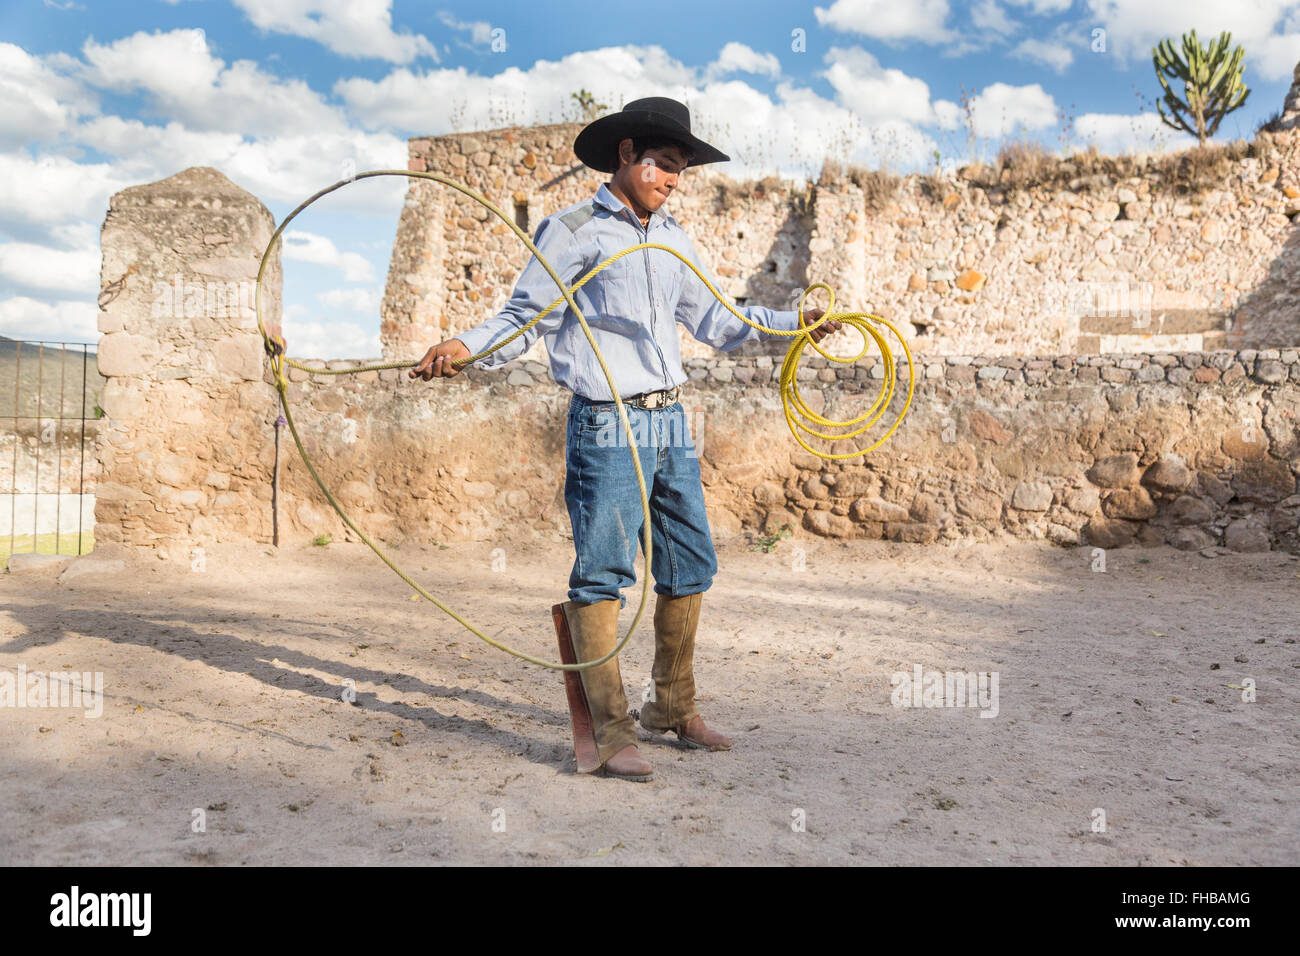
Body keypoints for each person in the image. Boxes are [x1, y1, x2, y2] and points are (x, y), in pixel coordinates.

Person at [410, 96, 840, 782]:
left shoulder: (674, 238)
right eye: (663, 165)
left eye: (679, 171)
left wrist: (792, 326)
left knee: (690, 561)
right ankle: (611, 735)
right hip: (607, 420)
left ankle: (671, 706)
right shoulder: (571, 230)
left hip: (671, 419)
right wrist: (465, 346)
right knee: (605, 573)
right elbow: (524, 317)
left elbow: (722, 320)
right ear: (625, 155)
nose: (671, 180)